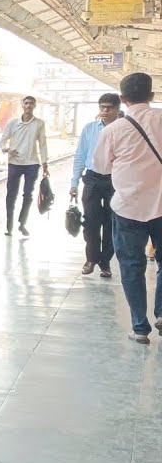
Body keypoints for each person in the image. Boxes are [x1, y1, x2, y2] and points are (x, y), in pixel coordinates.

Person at [91, 73, 162, 344]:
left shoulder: (113, 130)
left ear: (122, 99)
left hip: (129, 208)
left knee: (132, 266)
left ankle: (140, 328)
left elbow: (101, 167)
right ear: (152, 96)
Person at [71, 93, 122, 277]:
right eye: (102, 107)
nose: (105, 111)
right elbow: (80, 155)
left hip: (114, 180)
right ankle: (91, 258)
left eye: (109, 107)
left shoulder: (124, 129)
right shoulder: (89, 129)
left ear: (118, 109)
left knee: (111, 222)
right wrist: (74, 182)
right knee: (90, 221)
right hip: (92, 178)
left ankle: (105, 262)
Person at [0, 95, 50, 236]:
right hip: (14, 164)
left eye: (31, 104)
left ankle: (22, 223)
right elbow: (2, 141)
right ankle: (9, 226)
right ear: (22, 105)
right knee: (11, 194)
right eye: (26, 103)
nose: (28, 106)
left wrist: (44, 162)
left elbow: (42, 143)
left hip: (32, 164)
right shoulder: (13, 123)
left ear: (34, 106)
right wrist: (8, 149)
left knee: (28, 194)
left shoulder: (39, 123)